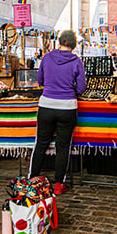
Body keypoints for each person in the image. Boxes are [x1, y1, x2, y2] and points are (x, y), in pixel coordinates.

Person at [28, 30, 86, 195]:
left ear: (59, 41)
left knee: (41, 144)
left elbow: (40, 80)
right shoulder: (77, 61)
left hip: (46, 105)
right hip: (67, 108)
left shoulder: (46, 57)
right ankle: (59, 184)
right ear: (74, 44)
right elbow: (81, 88)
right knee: (63, 147)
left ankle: (33, 179)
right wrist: (70, 87)